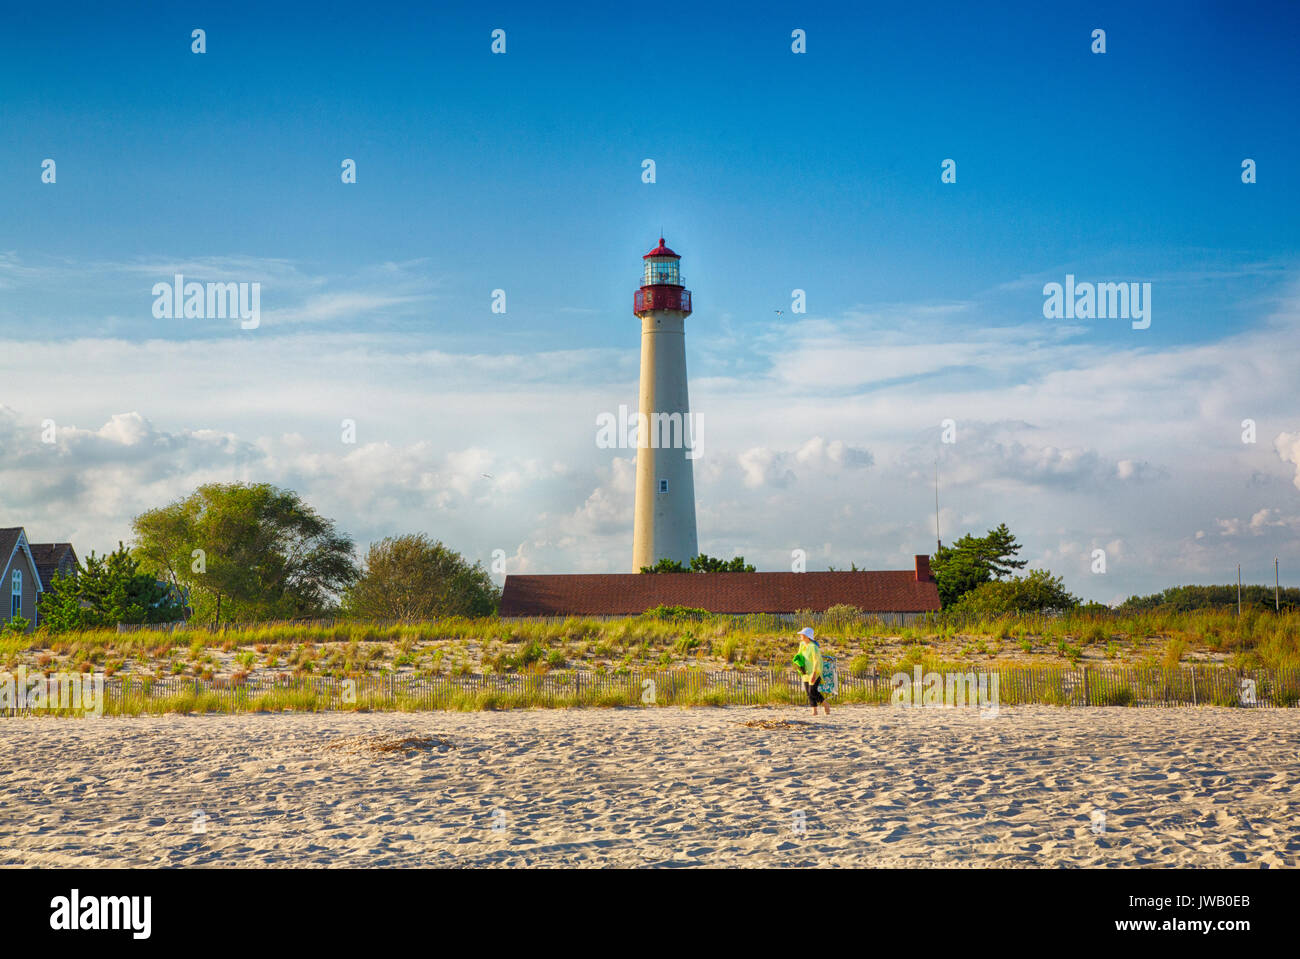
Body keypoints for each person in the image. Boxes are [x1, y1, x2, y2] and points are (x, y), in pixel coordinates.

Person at [794, 626, 829, 716]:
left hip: (815, 672)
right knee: (808, 693)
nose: (800, 635)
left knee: (812, 691)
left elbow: (816, 661)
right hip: (805, 671)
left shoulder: (813, 647)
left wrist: (814, 673)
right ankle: (814, 710)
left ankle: (825, 704)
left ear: (807, 636)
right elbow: (799, 655)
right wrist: (798, 664)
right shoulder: (802, 644)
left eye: (802, 634)